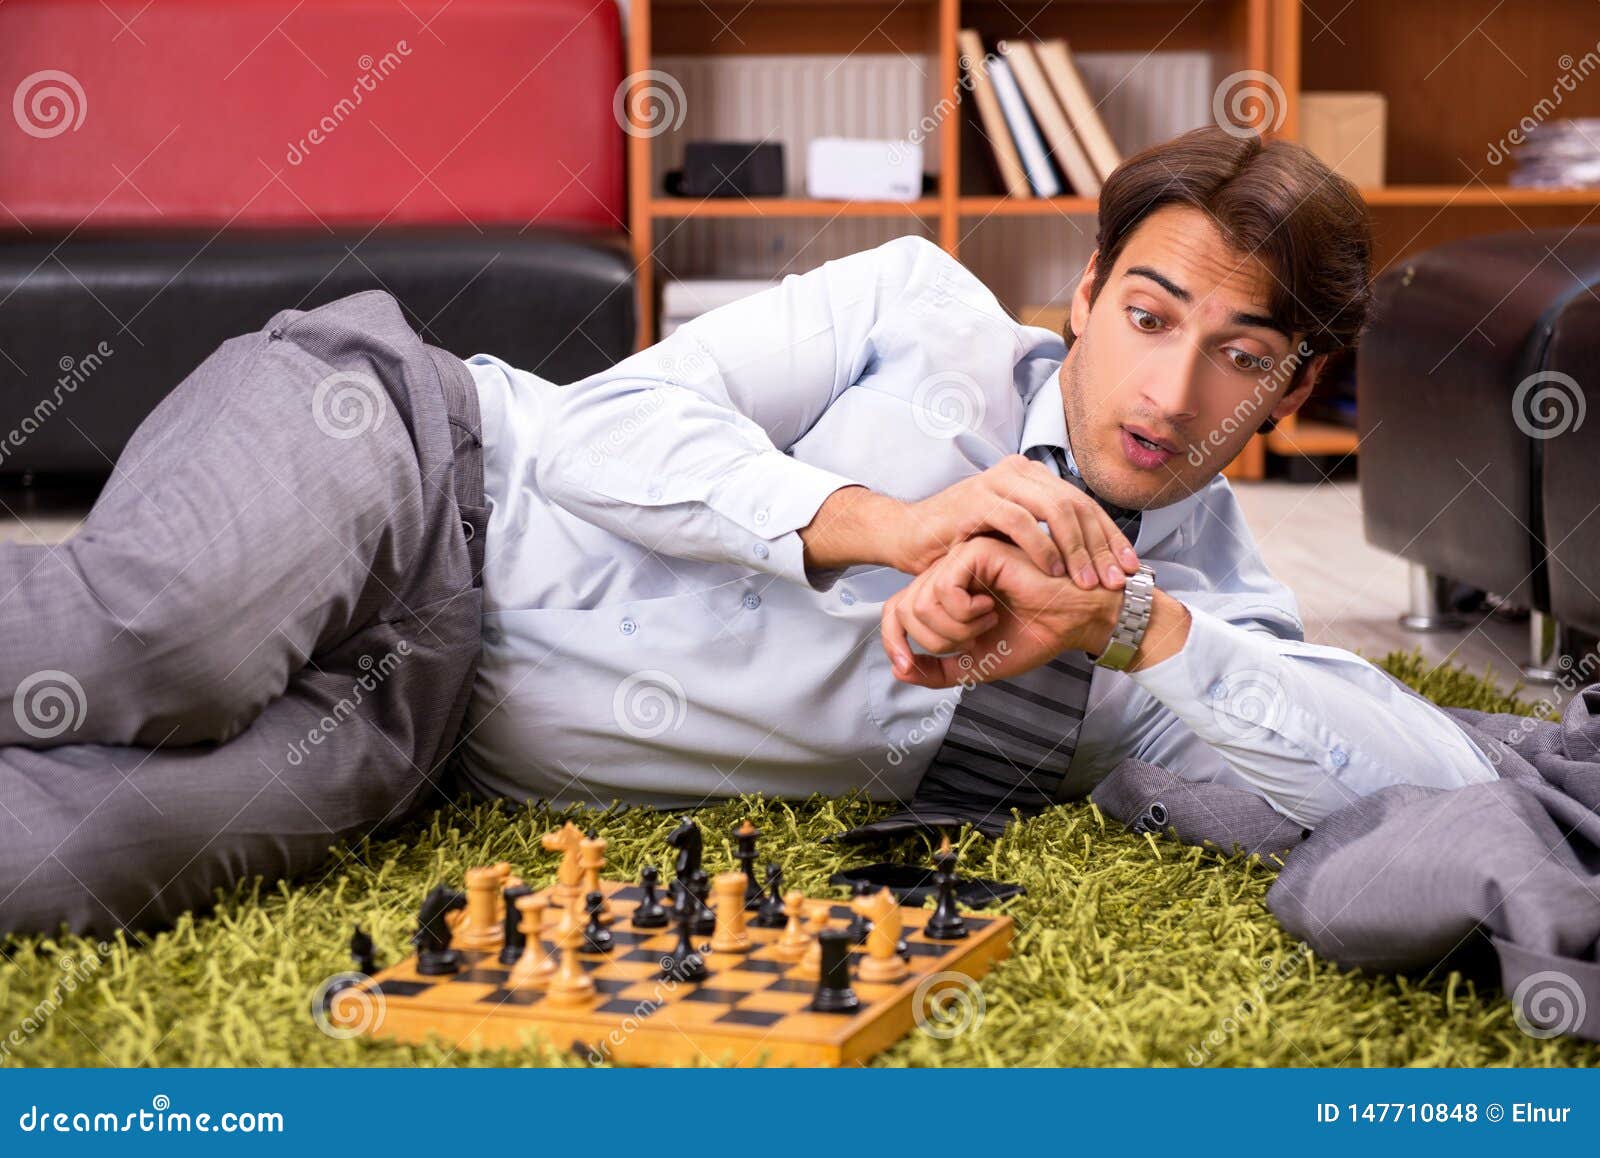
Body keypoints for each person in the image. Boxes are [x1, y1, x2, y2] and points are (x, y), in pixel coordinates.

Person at [0, 127, 1496, 934]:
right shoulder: (919, 309)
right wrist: (886, 525)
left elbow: (1436, 783)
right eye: (1151, 318)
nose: (1171, 392)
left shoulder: (1198, 625)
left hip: (419, 726)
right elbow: (601, 428)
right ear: (1089, 290)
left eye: (1242, 355)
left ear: (1294, 386)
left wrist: (1133, 626)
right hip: (412, 455)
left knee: (62, 859)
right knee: (166, 644)